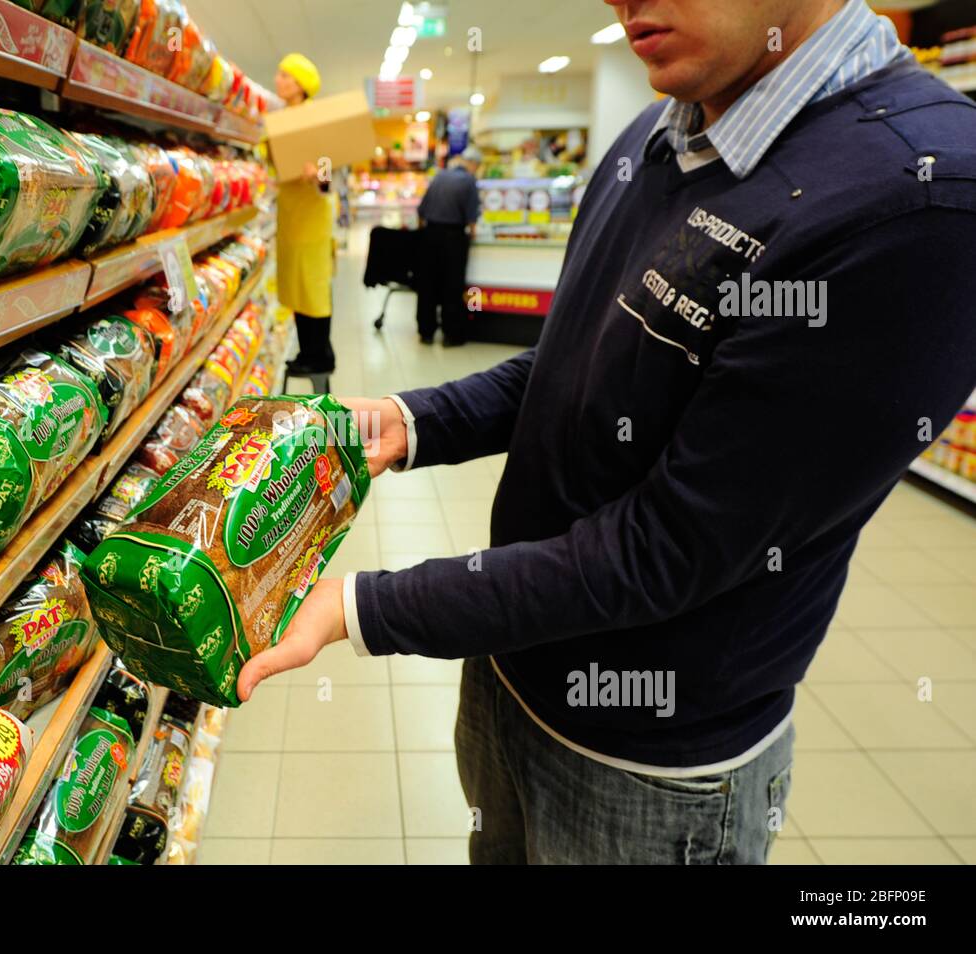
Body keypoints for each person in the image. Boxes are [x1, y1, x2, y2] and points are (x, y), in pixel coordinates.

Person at [237, 0, 976, 865]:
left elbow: (670, 547)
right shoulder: (655, 136)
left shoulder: (920, 198)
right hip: (510, 677)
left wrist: (361, 607)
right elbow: (567, 365)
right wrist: (404, 423)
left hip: (648, 774)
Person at [273, 53, 336, 376]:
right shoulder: (281, 118)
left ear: (302, 83)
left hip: (311, 213)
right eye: (279, 75)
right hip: (290, 211)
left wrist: (318, 173)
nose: (279, 80)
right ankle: (307, 351)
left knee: (312, 284)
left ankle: (321, 354)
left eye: (286, 76)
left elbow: (331, 162)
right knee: (296, 284)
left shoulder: (315, 118)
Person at [415, 147, 481, 346]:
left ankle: (426, 332)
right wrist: (472, 234)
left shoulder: (439, 176)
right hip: (453, 238)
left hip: (429, 236)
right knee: (452, 286)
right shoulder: (469, 181)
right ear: (473, 165)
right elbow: (472, 221)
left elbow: (421, 212)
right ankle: (451, 335)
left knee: (428, 285)